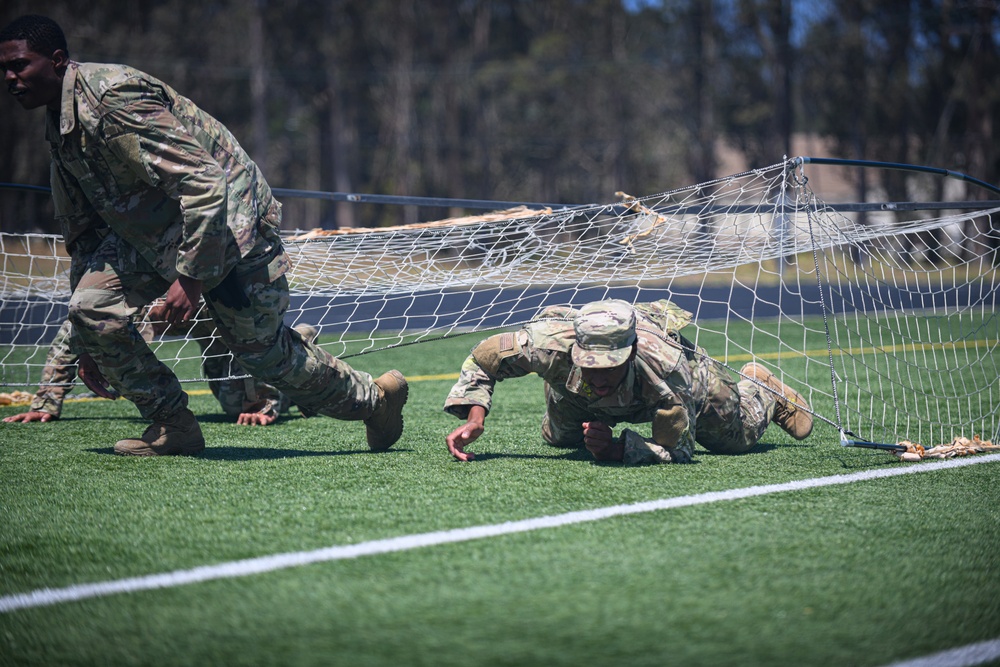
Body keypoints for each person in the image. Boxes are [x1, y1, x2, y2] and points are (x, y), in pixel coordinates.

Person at [0, 15, 407, 456]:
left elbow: (204, 181)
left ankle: (376, 401)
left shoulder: (111, 97)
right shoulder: (61, 121)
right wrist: (94, 342)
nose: (10, 78)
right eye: (4, 68)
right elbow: (82, 231)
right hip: (156, 236)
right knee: (91, 306)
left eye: (19, 65)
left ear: (57, 61)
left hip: (231, 229)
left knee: (264, 357)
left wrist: (190, 278)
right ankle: (173, 424)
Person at [444, 299, 813, 465]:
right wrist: (476, 418)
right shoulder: (547, 344)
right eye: (590, 365)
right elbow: (483, 358)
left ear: (631, 350)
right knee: (559, 440)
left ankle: (763, 390)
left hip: (679, 389)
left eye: (610, 366)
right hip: (574, 395)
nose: (600, 376)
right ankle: (576, 409)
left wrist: (617, 450)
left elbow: (678, 450)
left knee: (734, 440)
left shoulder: (667, 370)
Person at [2, 314, 320, 426]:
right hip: (176, 317)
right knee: (230, 401)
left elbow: (248, 332)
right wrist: (46, 401)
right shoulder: (123, 287)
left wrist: (260, 402)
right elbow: (78, 325)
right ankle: (292, 360)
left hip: (225, 323)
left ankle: (298, 341)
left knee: (240, 404)